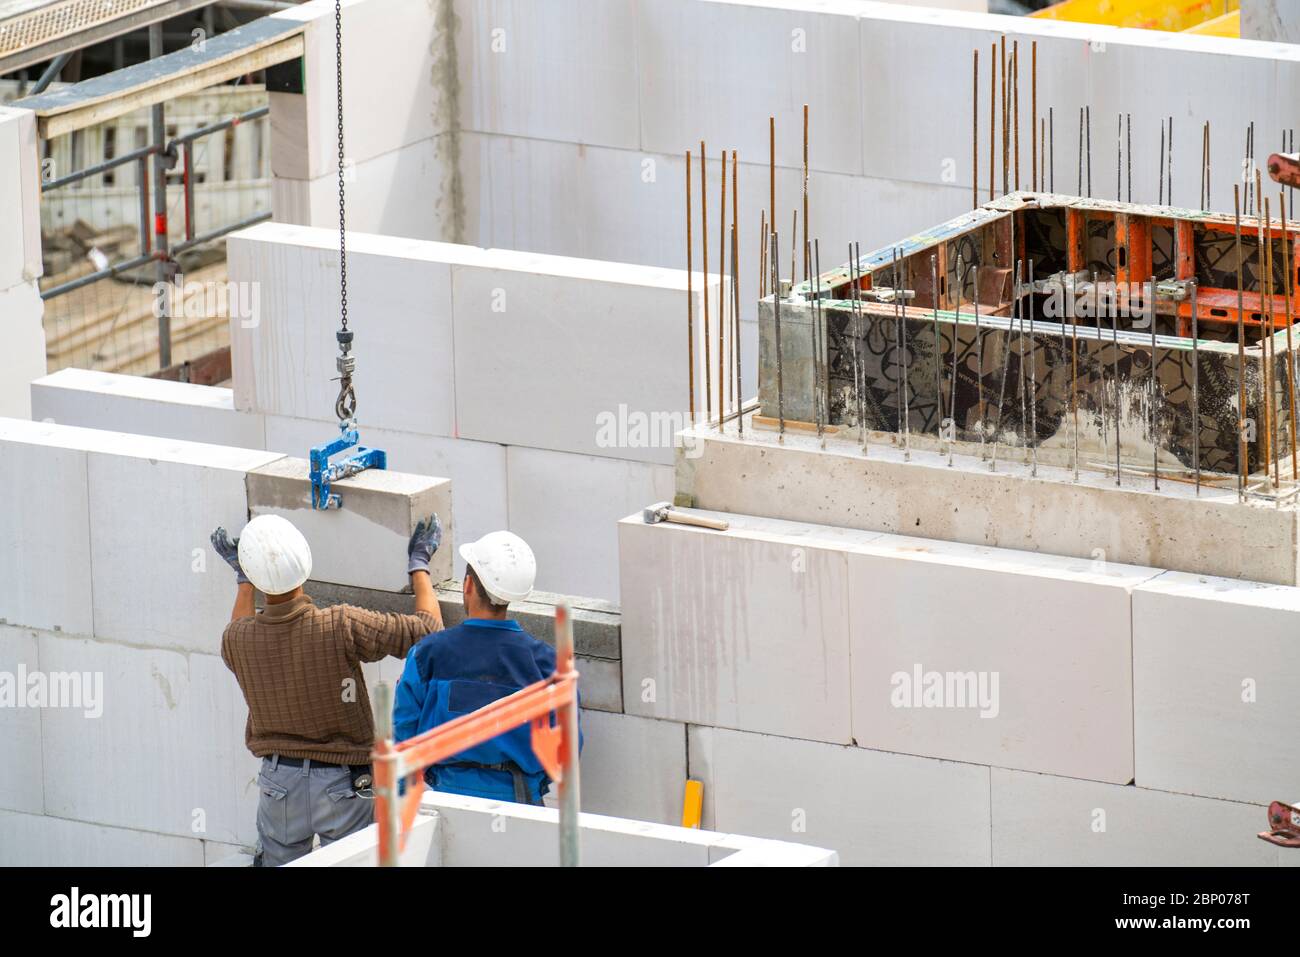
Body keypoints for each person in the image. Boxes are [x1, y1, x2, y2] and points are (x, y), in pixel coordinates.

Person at [210, 512, 444, 866]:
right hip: (344, 782)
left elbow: (240, 625)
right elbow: (428, 632)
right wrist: (420, 565)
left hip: (278, 784)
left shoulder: (237, 640)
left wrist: (245, 580)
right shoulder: (338, 625)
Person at [393, 530, 579, 805]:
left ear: (468, 584)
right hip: (520, 800)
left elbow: (404, 734)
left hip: (447, 797)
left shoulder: (427, 655)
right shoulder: (548, 665)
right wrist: (532, 784)